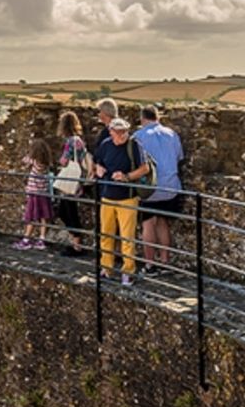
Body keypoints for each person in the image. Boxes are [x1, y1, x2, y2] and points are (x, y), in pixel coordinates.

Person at [93, 117, 149, 286]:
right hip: (107, 196)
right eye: (118, 132)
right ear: (111, 132)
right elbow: (97, 161)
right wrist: (98, 168)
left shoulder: (134, 145)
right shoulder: (105, 145)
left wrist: (126, 177)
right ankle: (106, 268)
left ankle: (128, 272)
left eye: (124, 131)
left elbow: (145, 168)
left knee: (127, 238)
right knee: (106, 235)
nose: (122, 135)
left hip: (128, 198)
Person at [133, 105, 183, 274]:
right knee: (162, 222)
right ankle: (165, 262)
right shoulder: (172, 134)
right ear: (157, 117)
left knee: (148, 223)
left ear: (142, 118)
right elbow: (179, 157)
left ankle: (150, 264)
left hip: (150, 188)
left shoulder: (138, 137)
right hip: (171, 187)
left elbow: (136, 163)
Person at [55, 111, 92, 258]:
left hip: (70, 182)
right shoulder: (79, 140)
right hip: (78, 181)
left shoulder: (70, 141)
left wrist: (61, 161)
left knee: (67, 212)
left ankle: (77, 246)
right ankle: (75, 244)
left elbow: (64, 161)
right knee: (68, 210)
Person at [13, 138, 57, 250]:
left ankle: (26, 239)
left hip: (34, 194)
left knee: (31, 217)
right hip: (44, 193)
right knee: (43, 217)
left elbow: (24, 160)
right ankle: (42, 239)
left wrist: (29, 152)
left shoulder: (35, 162)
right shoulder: (47, 163)